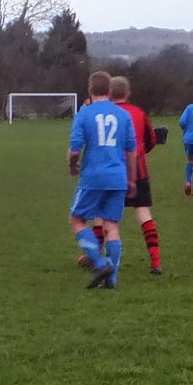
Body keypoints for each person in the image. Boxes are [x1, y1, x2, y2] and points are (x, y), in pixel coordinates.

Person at [67, 71, 137, 289]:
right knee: (112, 226)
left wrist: (72, 164)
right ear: (109, 91)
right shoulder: (123, 116)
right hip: (118, 177)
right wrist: (132, 179)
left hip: (93, 177)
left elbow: (75, 150)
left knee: (77, 220)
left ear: (89, 90)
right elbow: (131, 152)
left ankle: (99, 263)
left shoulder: (84, 115)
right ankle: (112, 279)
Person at [111, 76, 164, 275]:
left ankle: (94, 258)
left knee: (104, 216)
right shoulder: (139, 113)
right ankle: (156, 260)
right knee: (143, 212)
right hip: (138, 169)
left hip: (113, 170)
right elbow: (151, 140)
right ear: (128, 93)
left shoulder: (107, 114)